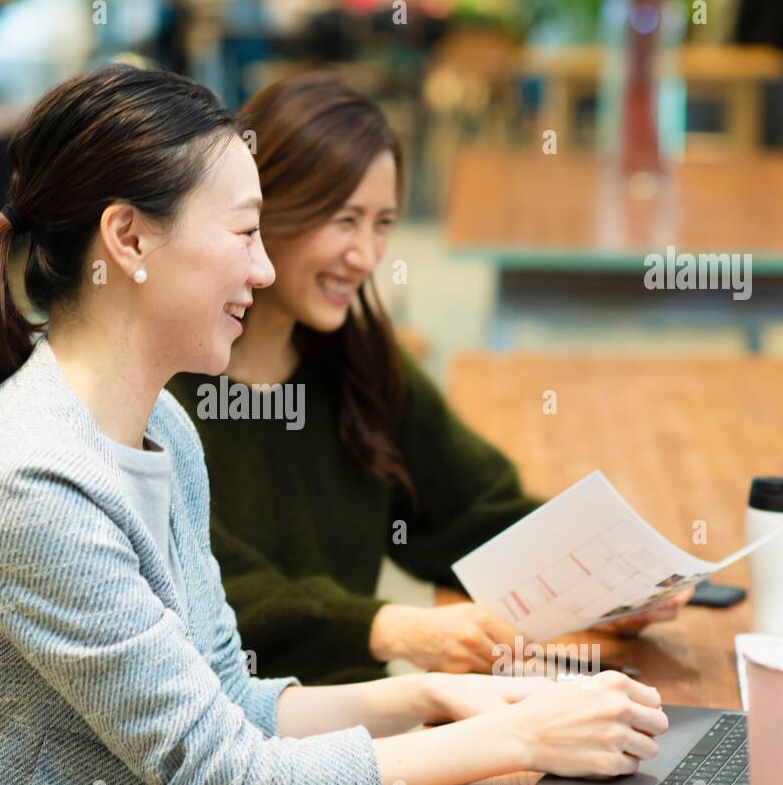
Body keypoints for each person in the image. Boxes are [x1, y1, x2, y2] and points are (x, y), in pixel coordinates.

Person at [0, 64, 669, 785]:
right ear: (127, 240)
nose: (264, 268)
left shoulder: (164, 429)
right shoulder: (33, 485)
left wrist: (436, 693)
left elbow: (230, 700)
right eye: (244, 233)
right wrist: (522, 735)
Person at [169, 73, 684, 685]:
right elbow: (202, 586)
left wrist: (609, 579)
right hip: (222, 744)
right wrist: (387, 627)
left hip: (360, 727)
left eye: (383, 223)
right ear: (260, 207)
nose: (364, 254)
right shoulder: (166, 383)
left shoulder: (357, 360)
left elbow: (470, 510)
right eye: (342, 218)